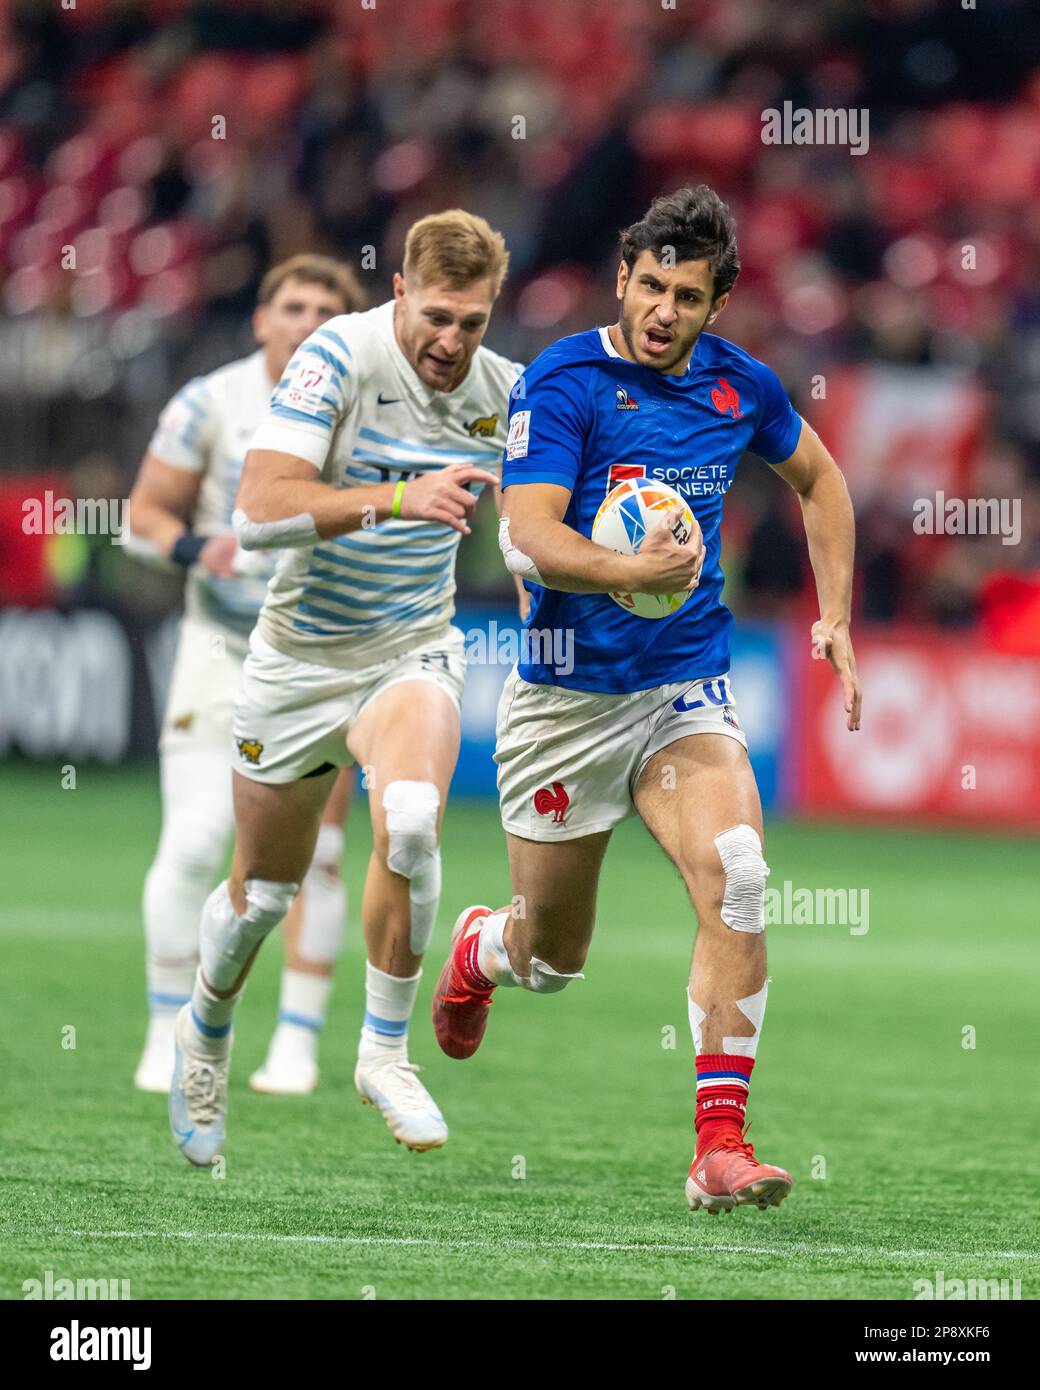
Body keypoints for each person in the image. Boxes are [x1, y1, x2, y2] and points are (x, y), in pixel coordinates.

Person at [432, 185, 862, 1215]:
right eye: (651, 285)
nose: (664, 309)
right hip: (565, 700)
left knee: (740, 875)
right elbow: (530, 531)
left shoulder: (737, 385)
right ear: (622, 276)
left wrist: (834, 618)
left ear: (717, 304)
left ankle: (717, 1147)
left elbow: (819, 483)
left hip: (682, 690)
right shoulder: (564, 380)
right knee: (553, 957)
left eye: (688, 294)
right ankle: (483, 949)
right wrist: (630, 572)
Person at [168, 210, 524, 1165]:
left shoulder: (507, 394)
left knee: (409, 819)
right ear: (400, 292)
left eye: (474, 323)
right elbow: (261, 509)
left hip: (409, 650)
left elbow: (531, 535)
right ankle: (204, 1028)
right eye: (437, 317)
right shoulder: (337, 356)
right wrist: (400, 497)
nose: (452, 343)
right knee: (259, 899)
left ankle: (382, 1051)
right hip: (296, 659)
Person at [128, 255, 365, 1097]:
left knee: (319, 856)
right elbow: (142, 515)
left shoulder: (370, 403)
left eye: (325, 308)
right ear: (261, 319)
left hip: (318, 651)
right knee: (194, 842)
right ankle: (167, 1030)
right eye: (291, 304)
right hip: (222, 644)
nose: (307, 320)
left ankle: (296, 1042)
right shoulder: (209, 401)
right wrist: (201, 547)